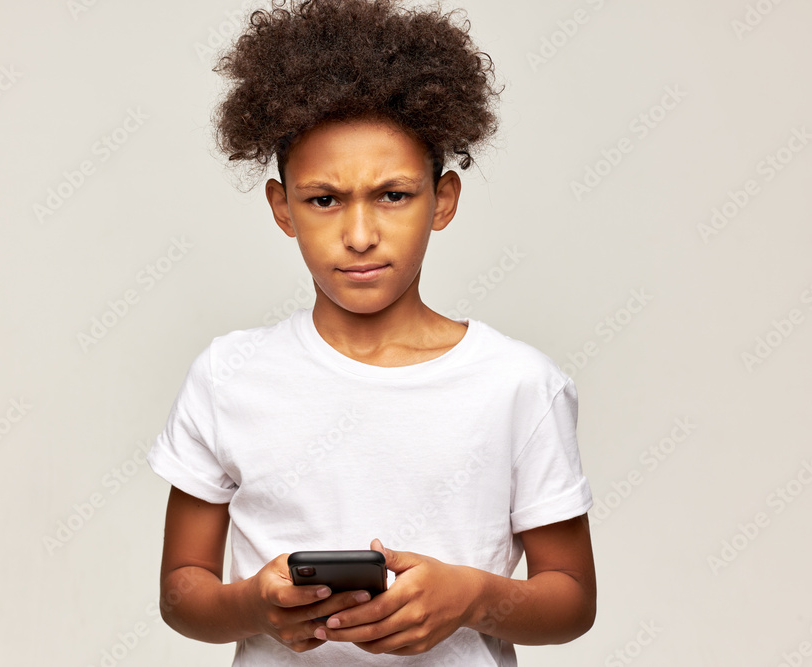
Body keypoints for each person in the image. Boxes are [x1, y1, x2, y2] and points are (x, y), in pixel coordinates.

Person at [146, 0, 596, 664]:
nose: (359, 235)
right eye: (324, 199)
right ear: (283, 207)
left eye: (393, 194)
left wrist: (470, 598)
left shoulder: (518, 384)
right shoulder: (228, 376)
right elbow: (182, 592)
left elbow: (572, 599)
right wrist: (255, 606)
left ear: (442, 199)